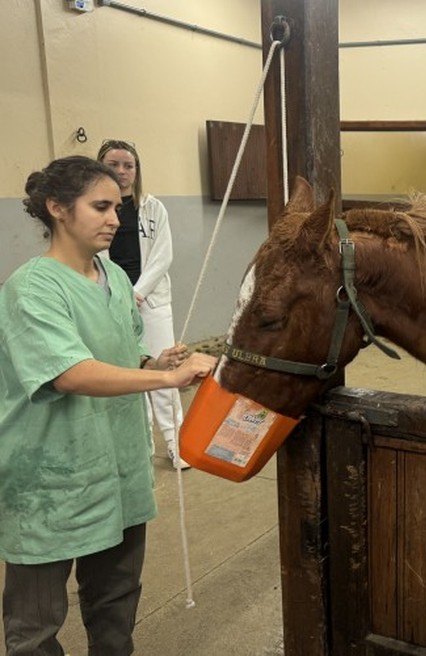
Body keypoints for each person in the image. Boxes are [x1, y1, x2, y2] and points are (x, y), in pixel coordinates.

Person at [0, 156, 216, 655]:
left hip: (117, 466)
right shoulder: (31, 288)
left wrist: (154, 360)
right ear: (57, 208)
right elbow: (71, 372)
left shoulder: (114, 277)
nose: (115, 219)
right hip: (51, 479)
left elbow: (116, 352)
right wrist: (167, 377)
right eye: (100, 206)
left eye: (117, 207)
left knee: (115, 603)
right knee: (34, 624)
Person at [97, 139, 189, 469]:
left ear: (137, 171)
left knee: (164, 369)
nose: (121, 171)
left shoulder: (153, 207)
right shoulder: (95, 209)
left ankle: (176, 442)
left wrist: (136, 292)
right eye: (113, 164)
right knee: (129, 372)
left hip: (150, 299)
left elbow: (163, 254)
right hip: (108, 299)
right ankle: (144, 443)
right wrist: (118, 294)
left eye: (128, 165)